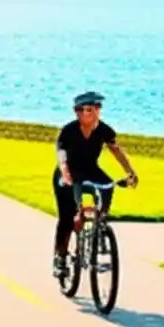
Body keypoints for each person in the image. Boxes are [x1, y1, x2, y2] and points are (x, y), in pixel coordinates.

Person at [53, 91, 138, 277]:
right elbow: (62, 157)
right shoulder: (68, 131)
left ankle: (99, 227)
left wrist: (129, 172)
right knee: (66, 219)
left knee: (107, 185)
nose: (95, 113)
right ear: (78, 113)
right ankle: (61, 258)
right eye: (90, 109)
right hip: (68, 172)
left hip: (91, 169)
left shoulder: (104, 130)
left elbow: (116, 151)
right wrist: (66, 175)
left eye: (97, 109)